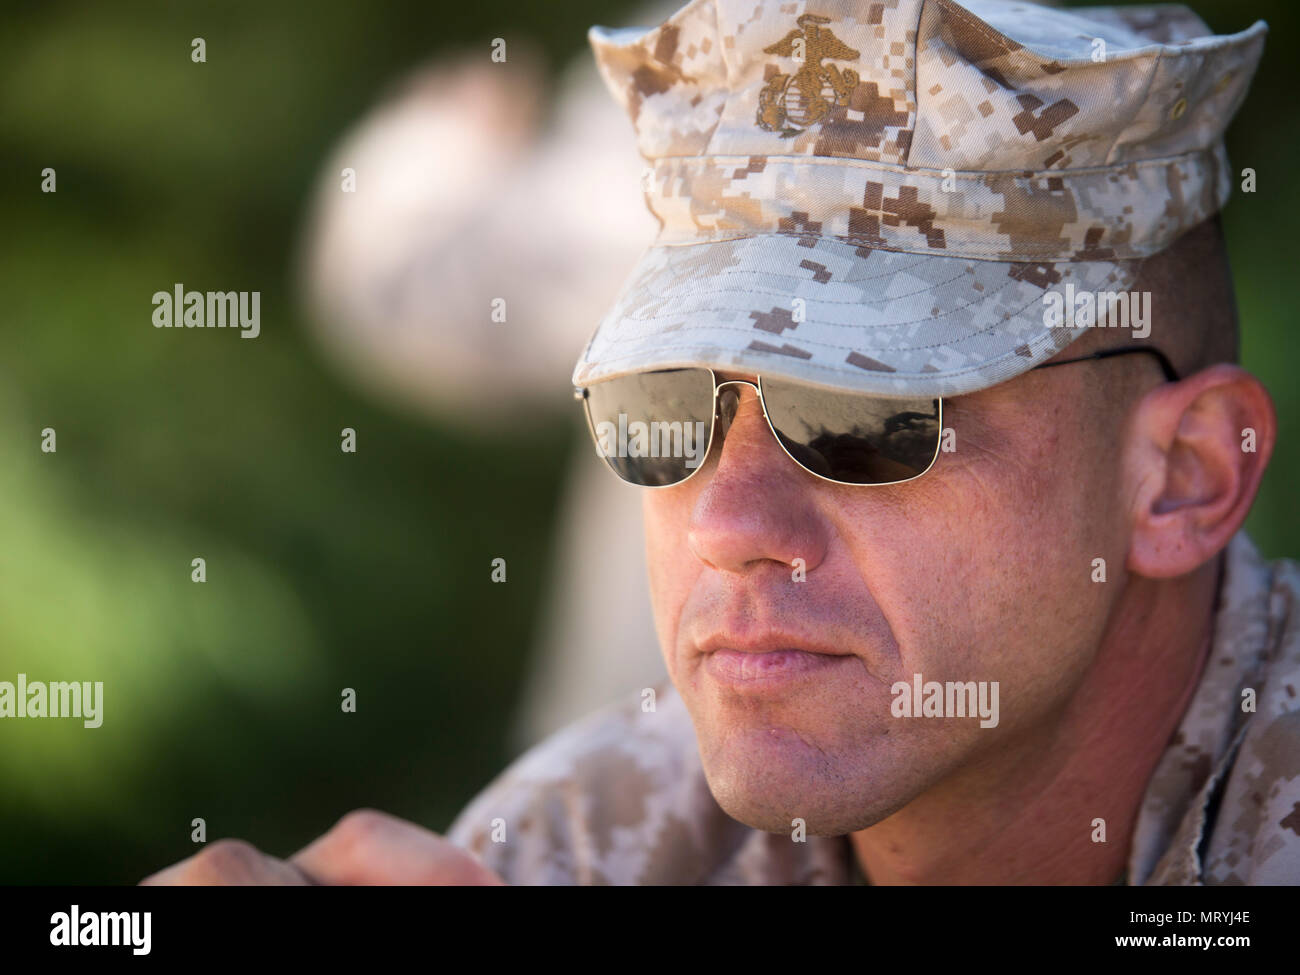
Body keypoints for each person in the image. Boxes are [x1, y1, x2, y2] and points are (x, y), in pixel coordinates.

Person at [141, 0, 1298, 886]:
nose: (728, 522)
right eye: (665, 410)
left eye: (862, 422)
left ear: (1182, 478)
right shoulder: (596, 833)